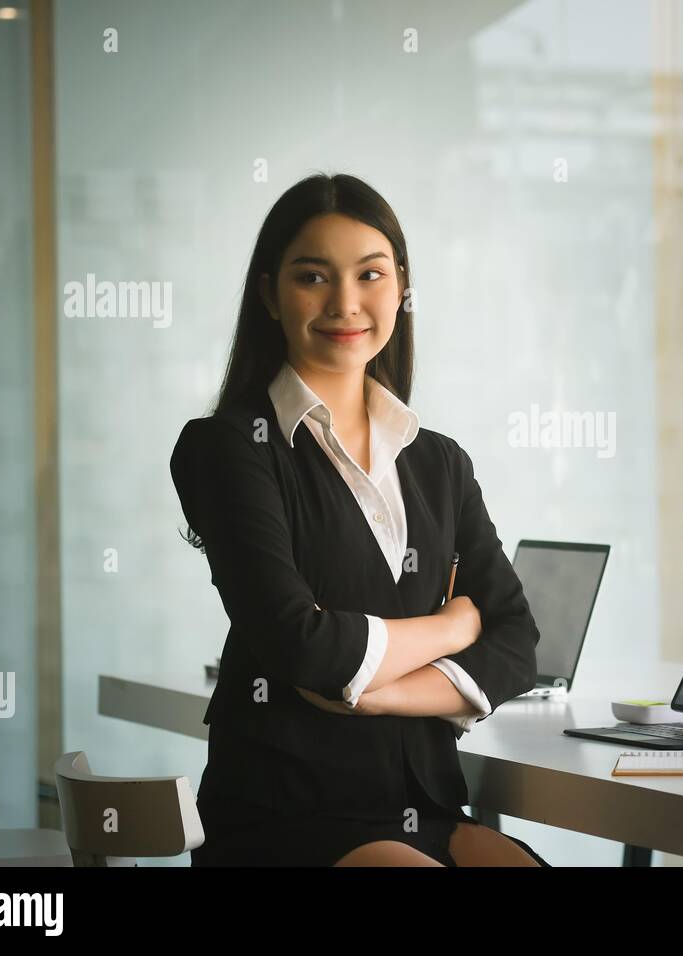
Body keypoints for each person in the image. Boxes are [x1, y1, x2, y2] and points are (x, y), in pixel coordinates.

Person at [170, 173, 547, 866]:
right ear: (269, 295)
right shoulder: (230, 448)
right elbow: (301, 645)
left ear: (401, 289)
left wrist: (384, 696)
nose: (345, 302)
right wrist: (452, 626)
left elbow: (518, 640)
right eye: (312, 276)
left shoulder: (439, 462)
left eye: (370, 274)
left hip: (424, 800)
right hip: (283, 814)